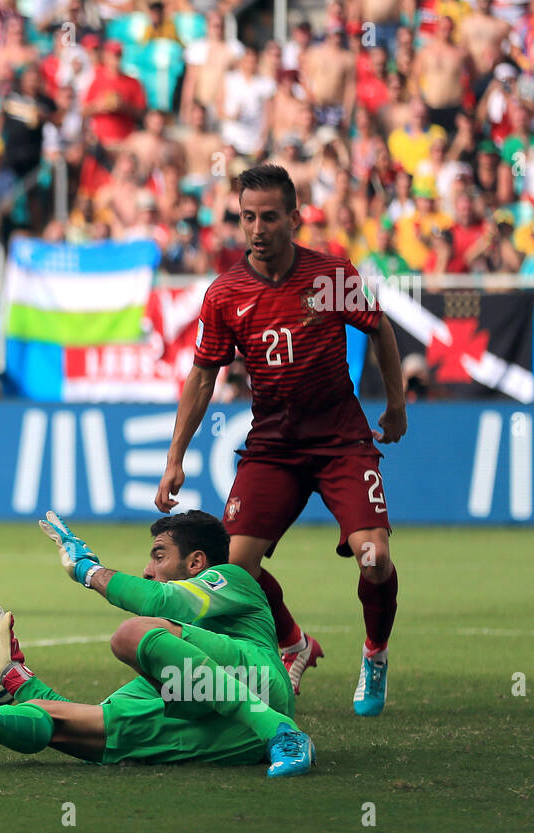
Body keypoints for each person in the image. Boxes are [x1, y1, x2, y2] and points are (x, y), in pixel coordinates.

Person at [155, 164, 407, 717]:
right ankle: (293, 643)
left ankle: (375, 653)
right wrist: (175, 458)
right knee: (231, 569)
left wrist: (395, 402)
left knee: (374, 557)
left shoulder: (331, 274)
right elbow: (202, 376)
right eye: (248, 217)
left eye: (270, 217)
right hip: (273, 444)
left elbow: (380, 326)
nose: (257, 228)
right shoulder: (225, 294)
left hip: (341, 439)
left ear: (294, 218)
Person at [0, 511, 315, 778]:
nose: (148, 570)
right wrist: (15, 679)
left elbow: (164, 601)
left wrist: (86, 570)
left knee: (131, 634)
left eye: (159, 555)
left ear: (197, 561)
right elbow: (71, 716)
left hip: (260, 685)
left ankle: (282, 732)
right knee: (75, 727)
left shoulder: (234, 580)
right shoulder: (165, 672)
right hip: (232, 736)